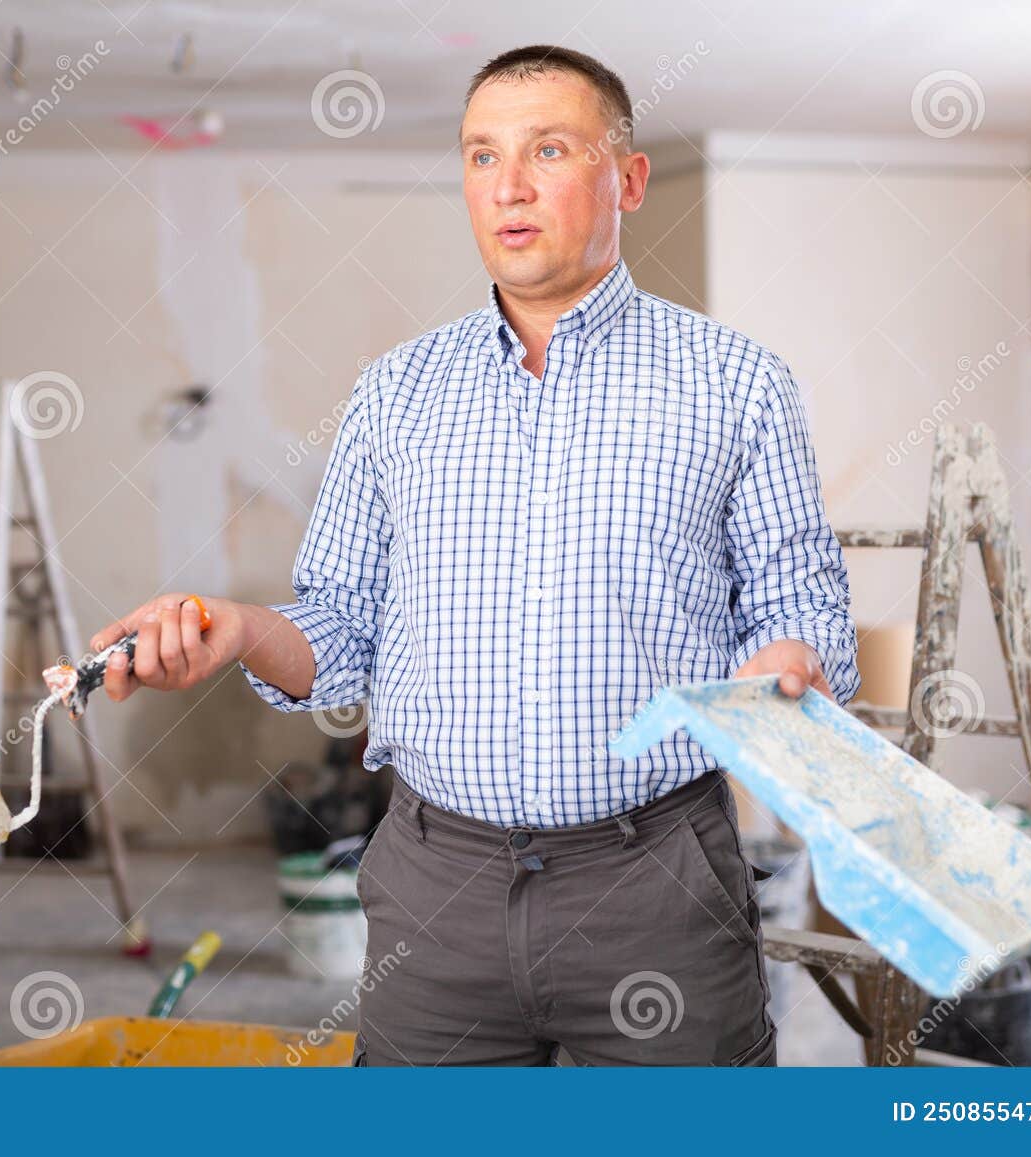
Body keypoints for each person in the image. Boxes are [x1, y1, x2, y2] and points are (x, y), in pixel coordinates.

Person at [93, 44, 859, 1065]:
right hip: (434, 888)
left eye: (548, 149)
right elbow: (339, 626)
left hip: (658, 886)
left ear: (626, 179)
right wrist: (234, 629)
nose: (507, 185)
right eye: (480, 155)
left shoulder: (737, 384)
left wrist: (791, 658)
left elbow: (798, 599)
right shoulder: (396, 393)